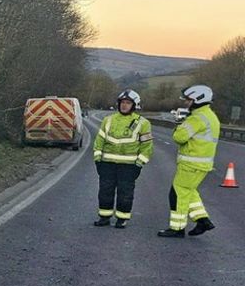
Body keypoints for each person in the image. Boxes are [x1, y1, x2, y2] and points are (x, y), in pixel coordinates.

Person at [158, 85, 221, 238]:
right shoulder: (211, 116)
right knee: (189, 191)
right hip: (202, 164)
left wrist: (178, 128)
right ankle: (203, 221)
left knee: (177, 193)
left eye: (188, 100)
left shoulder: (196, 118)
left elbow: (179, 137)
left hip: (191, 164)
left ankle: (177, 228)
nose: (186, 103)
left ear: (198, 99)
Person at [92, 89, 153, 228]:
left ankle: (122, 218)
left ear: (134, 105)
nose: (124, 105)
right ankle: (104, 217)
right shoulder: (108, 120)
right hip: (107, 164)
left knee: (125, 193)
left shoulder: (143, 123)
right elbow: (99, 141)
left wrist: (139, 164)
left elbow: (147, 146)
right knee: (105, 191)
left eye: (128, 103)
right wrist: (98, 160)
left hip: (128, 166)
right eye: (122, 102)